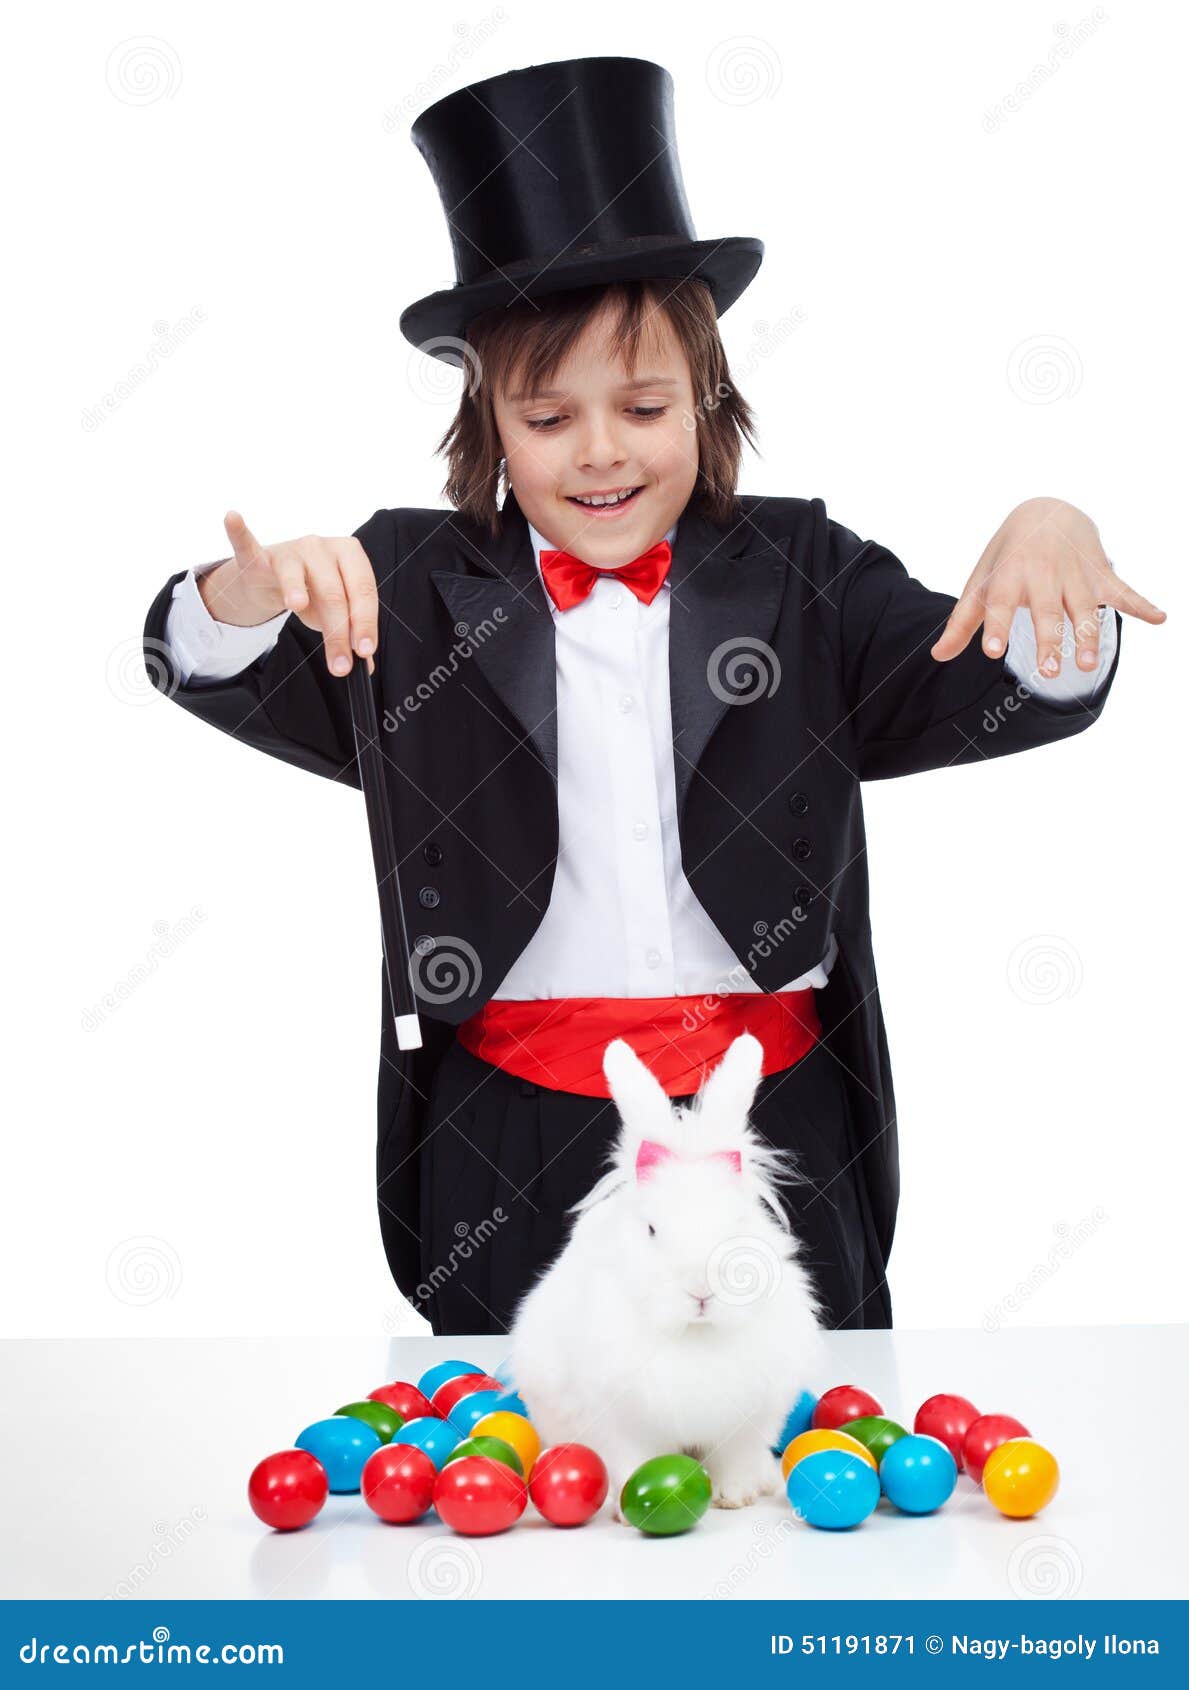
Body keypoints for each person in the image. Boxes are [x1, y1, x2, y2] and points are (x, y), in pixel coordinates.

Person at [141, 57, 1162, 1337]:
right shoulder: (398, 586)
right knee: (514, 1475)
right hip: (506, 1136)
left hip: (771, 1120)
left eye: (642, 404)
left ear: (708, 400)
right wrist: (242, 593)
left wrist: (1049, 530)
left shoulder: (805, 573)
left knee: (805, 1459)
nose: (602, 450)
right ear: (492, 426)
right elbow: (198, 661)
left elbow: (1010, 689)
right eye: (549, 415)